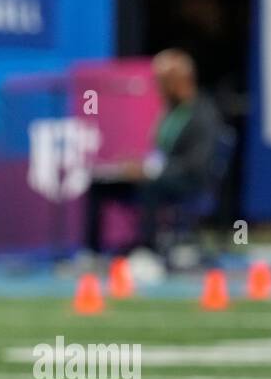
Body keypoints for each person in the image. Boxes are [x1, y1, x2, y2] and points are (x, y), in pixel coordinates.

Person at [83, 48, 224, 258]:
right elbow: (160, 153)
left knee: (149, 187)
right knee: (100, 184)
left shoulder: (203, 113)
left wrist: (151, 170)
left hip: (188, 182)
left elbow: (196, 164)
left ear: (180, 81)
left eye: (162, 81)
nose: (157, 86)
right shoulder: (170, 112)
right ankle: (92, 253)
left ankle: (148, 249)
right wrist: (140, 165)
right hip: (159, 176)